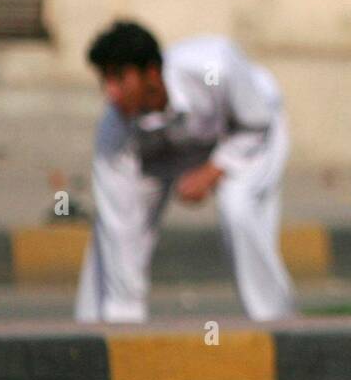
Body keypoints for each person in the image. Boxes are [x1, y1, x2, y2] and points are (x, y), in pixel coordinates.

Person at [75, 21, 297, 324]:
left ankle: (276, 322)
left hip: (245, 130)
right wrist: (123, 318)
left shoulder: (215, 65)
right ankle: (104, 328)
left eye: (120, 78)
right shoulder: (114, 129)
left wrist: (211, 172)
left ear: (152, 73)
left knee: (238, 208)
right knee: (113, 225)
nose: (110, 93)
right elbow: (118, 223)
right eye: (105, 80)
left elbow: (256, 124)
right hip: (168, 146)